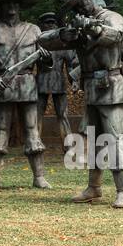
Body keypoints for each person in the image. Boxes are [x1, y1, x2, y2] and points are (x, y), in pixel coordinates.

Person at [38, 0, 123, 208]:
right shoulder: (77, 26)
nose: (79, 9)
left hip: (110, 84)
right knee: (96, 140)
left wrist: (94, 28)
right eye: (74, 7)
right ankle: (94, 187)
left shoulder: (110, 17)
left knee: (114, 138)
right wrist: (66, 35)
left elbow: (117, 34)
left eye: (81, 4)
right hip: (91, 88)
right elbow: (43, 40)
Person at [0, 0, 51, 192]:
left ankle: (39, 176)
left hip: (27, 85)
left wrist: (46, 60)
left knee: (32, 130)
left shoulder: (33, 30)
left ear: (20, 5)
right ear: (0, 5)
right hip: (3, 85)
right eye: (7, 2)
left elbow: (46, 64)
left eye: (15, 2)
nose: (11, 7)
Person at [35, 11, 79, 147]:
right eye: (47, 23)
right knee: (37, 115)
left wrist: (75, 81)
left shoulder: (63, 44)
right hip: (41, 82)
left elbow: (71, 64)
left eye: (53, 23)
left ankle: (68, 145)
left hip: (58, 83)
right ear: (42, 25)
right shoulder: (37, 43)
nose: (50, 26)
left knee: (63, 115)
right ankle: (34, 143)